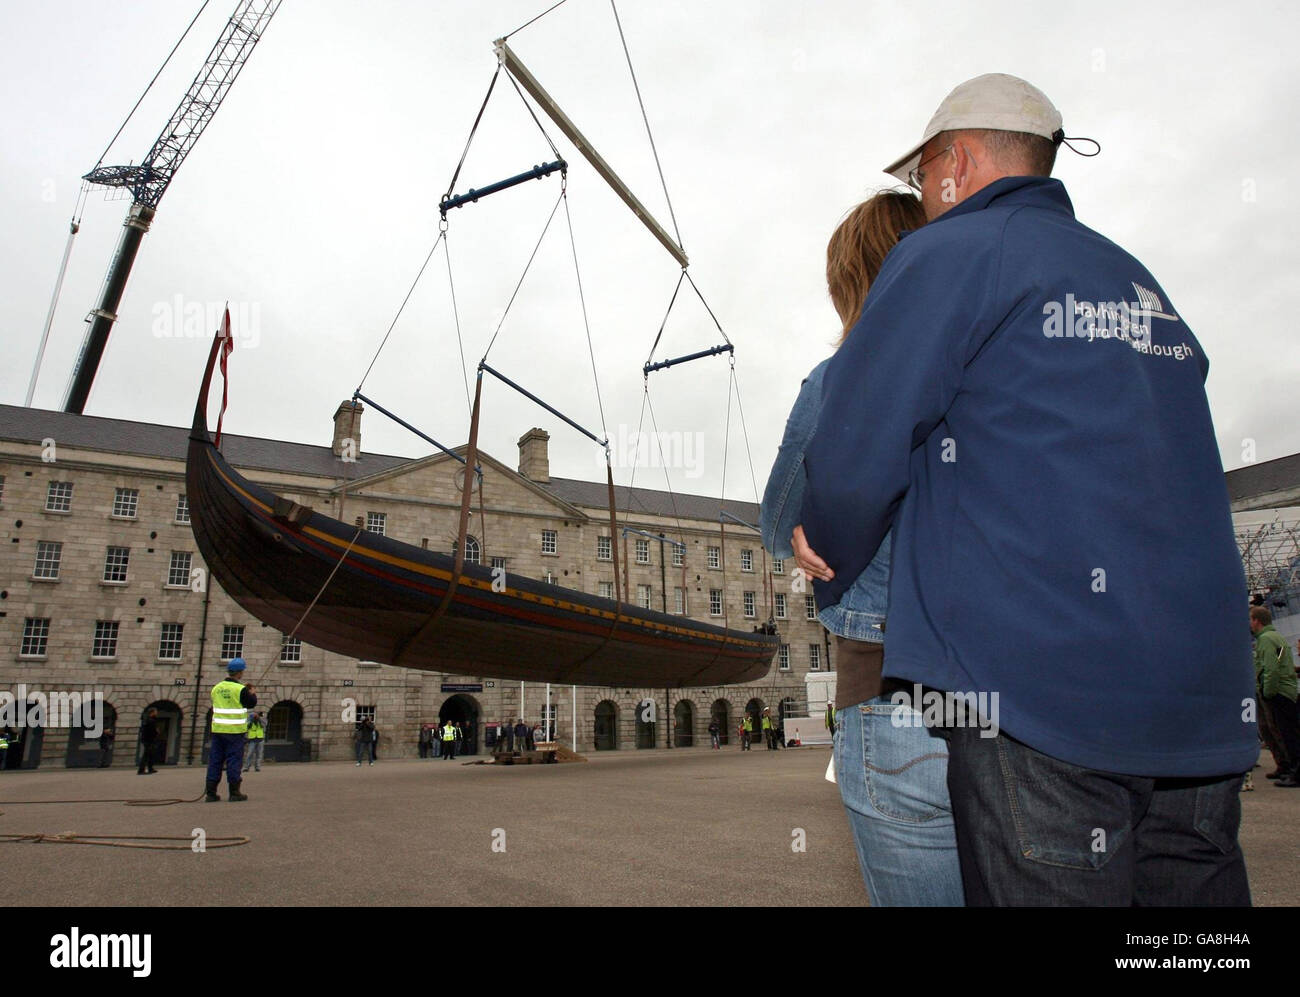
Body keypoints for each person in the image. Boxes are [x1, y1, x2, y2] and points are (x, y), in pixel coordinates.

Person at [798, 74, 1256, 905]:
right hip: (1198, 712)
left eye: (919, 180)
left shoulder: (948, 255)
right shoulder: (1141, 285)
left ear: (957, 161)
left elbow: (855, 446)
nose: (920, 200)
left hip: (1041, 703)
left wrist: (826, 538)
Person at [762, 190, 961, 906]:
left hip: (890, 688)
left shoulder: (837, 380)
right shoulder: (995, 368)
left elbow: (776, 517)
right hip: (1011, 695)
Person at [1251, 607, 1300, 788]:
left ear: (1257, 620)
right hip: (1285, 690)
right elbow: (1279, 659)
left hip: (1276, 691)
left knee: (1285, 732)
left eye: (1251, 619)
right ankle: (1289, 767)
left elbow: (1271, 668)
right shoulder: (1277, 638)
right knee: (1282, 731)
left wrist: (1267, 691)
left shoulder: (1265, 640)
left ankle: (1293, 769)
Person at [206, 660, 256, 801]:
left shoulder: (216, 688)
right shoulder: (240, 689)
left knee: (215, 760)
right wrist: (252, 693)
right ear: (240, 673)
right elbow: (251, 703)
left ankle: (211, 793)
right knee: (234, 760)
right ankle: (234, 792)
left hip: (217, 731)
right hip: (235, 732)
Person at [138, 708, 160, 775]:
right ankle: (141, 770)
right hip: (149, 740)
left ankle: (150, 768)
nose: (157, 713)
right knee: (146, 755)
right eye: (156, 712)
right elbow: (151, 731)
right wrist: (157, 732)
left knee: (150, 754)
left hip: (147, 739)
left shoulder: (148, 720)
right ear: (152, 712)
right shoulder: (150, 720)